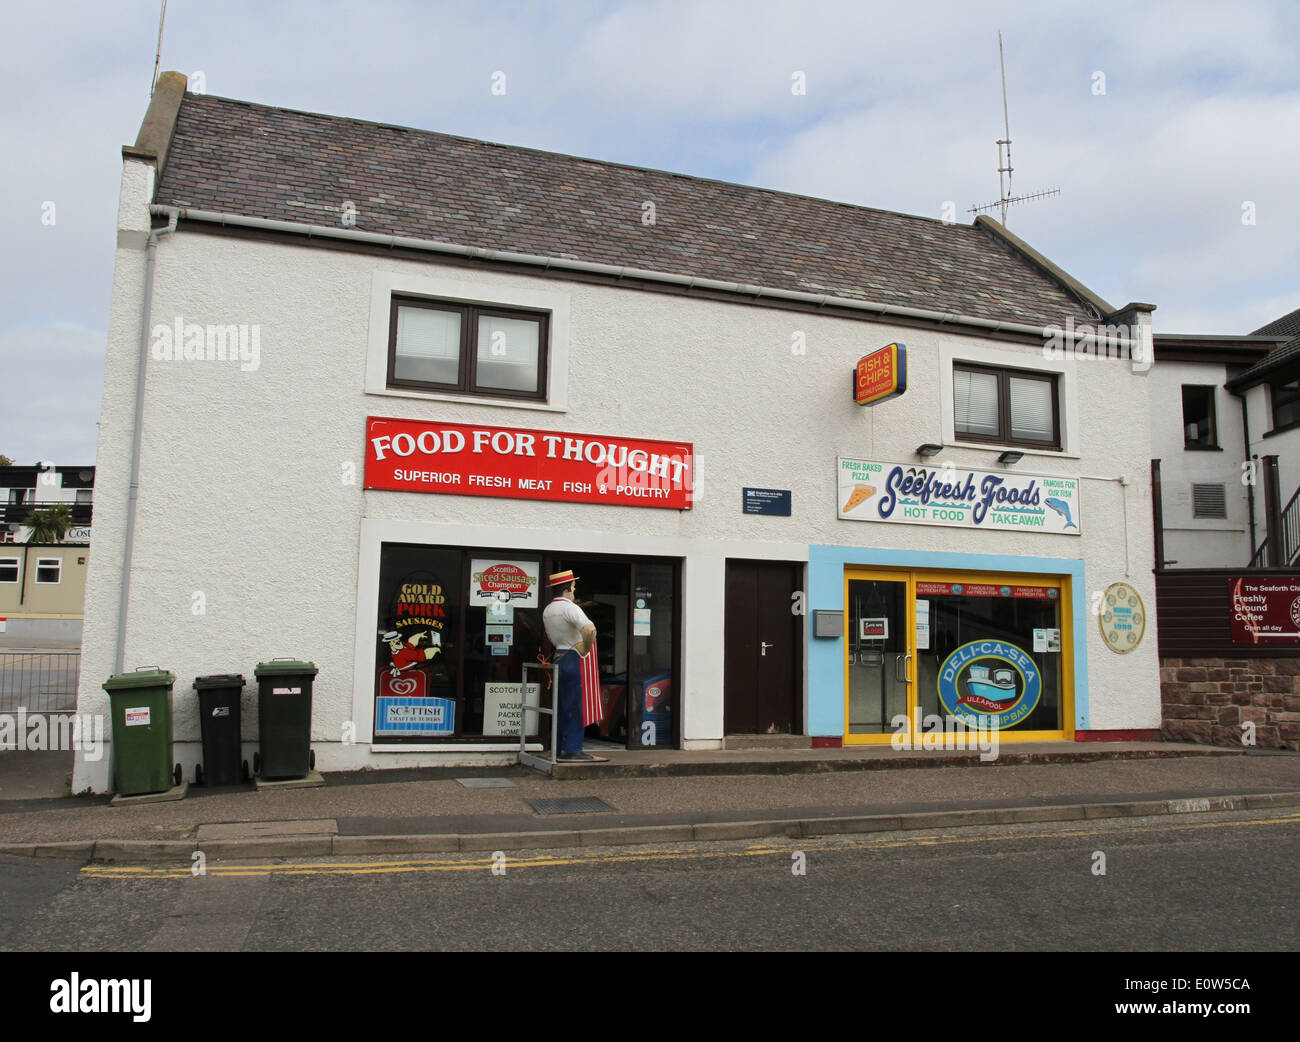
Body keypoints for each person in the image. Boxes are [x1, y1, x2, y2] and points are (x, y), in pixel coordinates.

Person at [541, 569, 597, 761]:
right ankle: (572, 749)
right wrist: (585, 648)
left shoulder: (548, 610)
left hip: (558, 656)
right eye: (573, 586)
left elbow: (549, 636)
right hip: (572, 656)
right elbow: (589, 629)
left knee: (560, 705)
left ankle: (558, 747)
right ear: (568, 588)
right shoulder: (570, 608)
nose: (574, 589)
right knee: (573, 705)